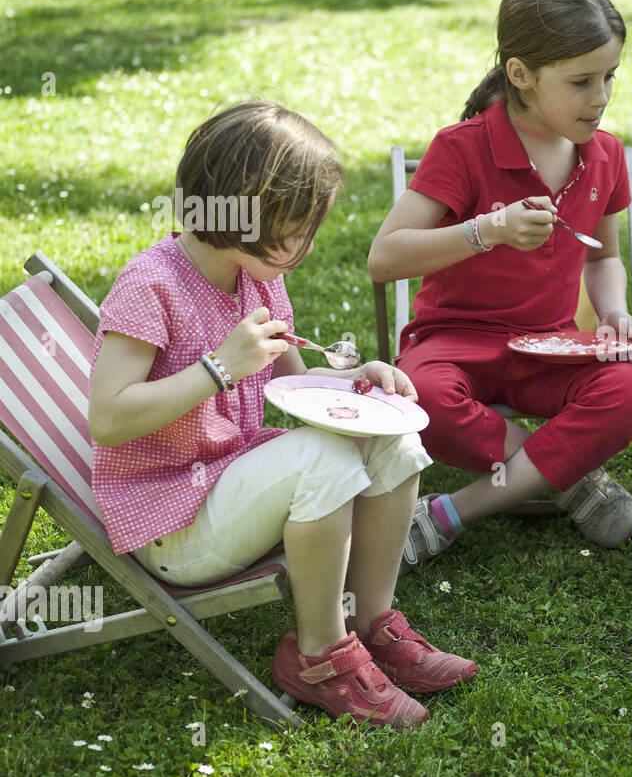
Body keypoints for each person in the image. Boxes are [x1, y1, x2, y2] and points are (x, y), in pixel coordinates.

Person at [89, 102, 476, 730]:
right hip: (172, 522)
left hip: (230, 482)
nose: (307, 246)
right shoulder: (150, 285)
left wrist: (357, 380)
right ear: (245, 213)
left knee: (395, 436)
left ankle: (371, 624)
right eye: (298, 228)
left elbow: (295, 381)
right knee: (320, 459)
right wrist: (219, 367)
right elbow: (106, 418)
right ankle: (320, 656)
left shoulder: (256, 276)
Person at [369, 0, 632, 569]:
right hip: (454, 343)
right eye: (581, 82)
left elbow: (603, 257)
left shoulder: (602, 156)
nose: (600, 97)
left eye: (610, 77)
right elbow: (384, 258)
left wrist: (613, 310)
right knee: (421, 401)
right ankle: (571, 480)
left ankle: (452, 511)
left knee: (631, 392)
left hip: (549, 348)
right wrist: (486, 231)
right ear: (520, 74)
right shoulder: (463, 147)